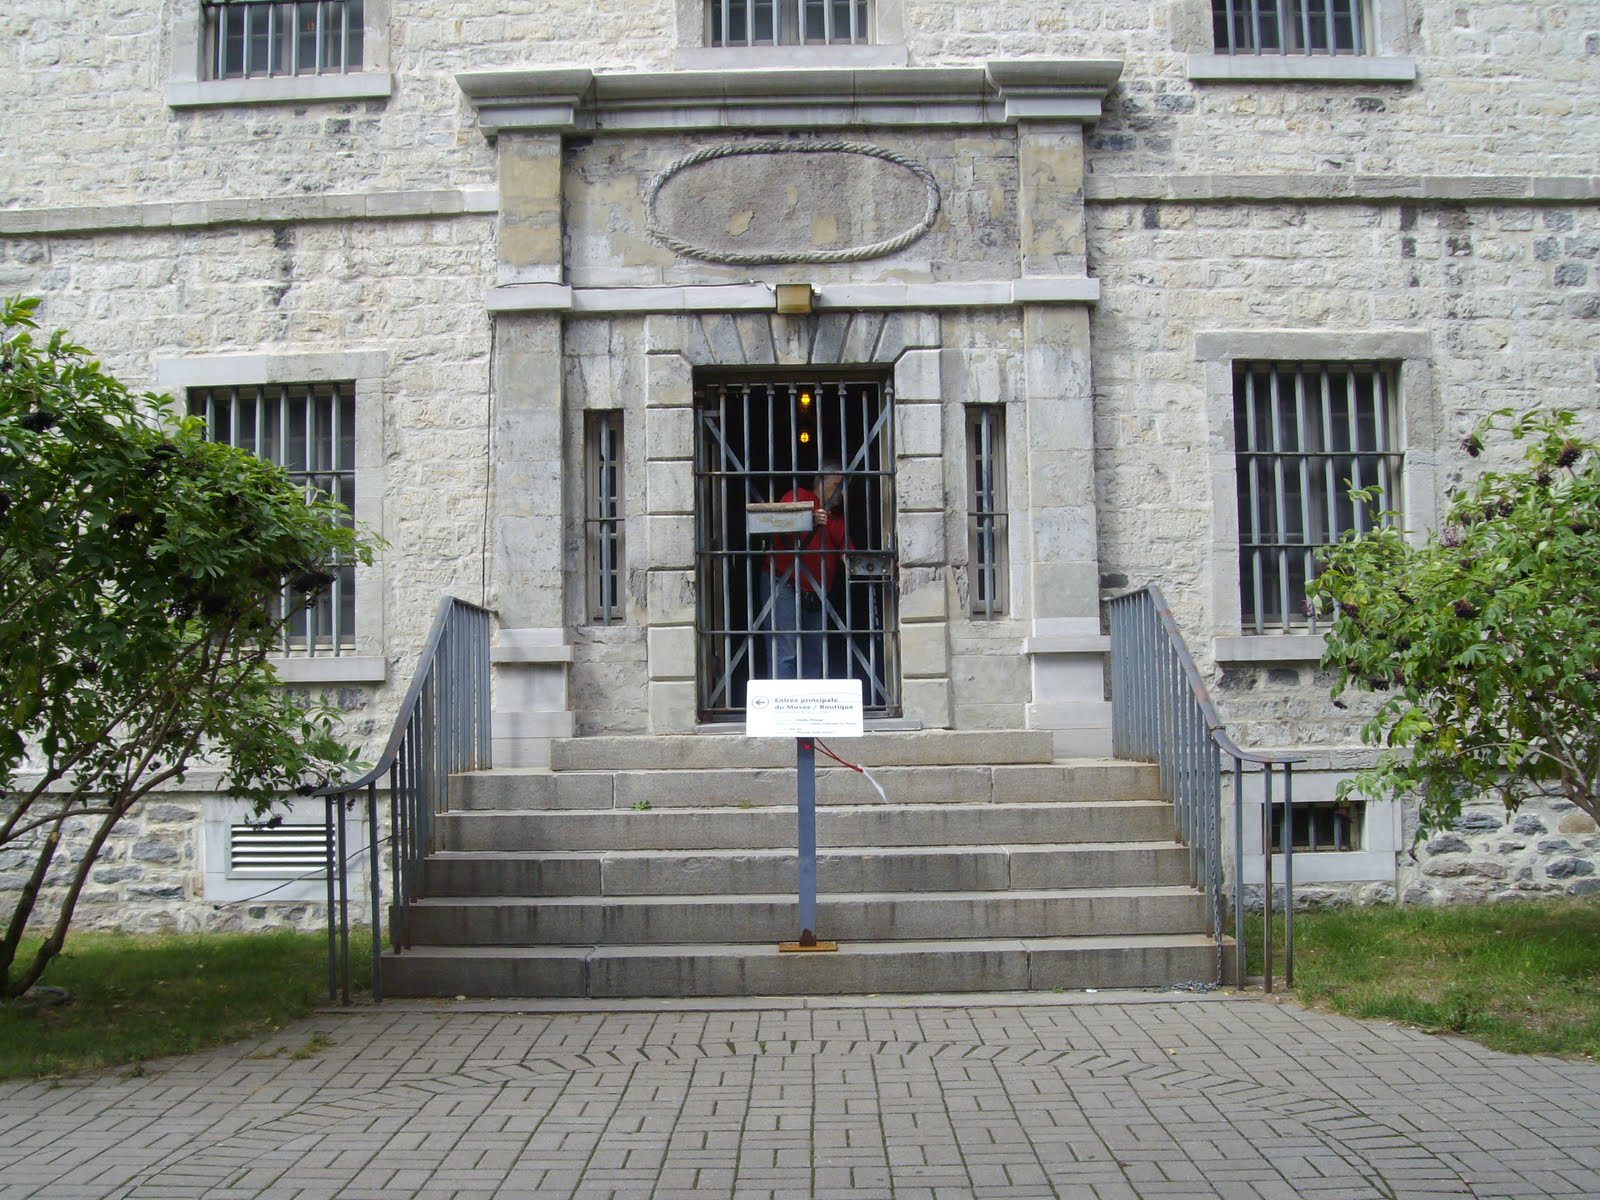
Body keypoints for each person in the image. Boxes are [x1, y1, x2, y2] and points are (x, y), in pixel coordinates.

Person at [762, 461, 849, 679]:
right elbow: (775, 522)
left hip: (816, 593)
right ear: (820, 481)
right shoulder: (799, 495)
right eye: (838, 485)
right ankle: (783, 708)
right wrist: (807, 518)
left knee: (814, 654)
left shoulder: (836, 519)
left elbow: (846, 549)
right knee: (784, 651)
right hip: (783, 584)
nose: (842, 493)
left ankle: (808, 710)